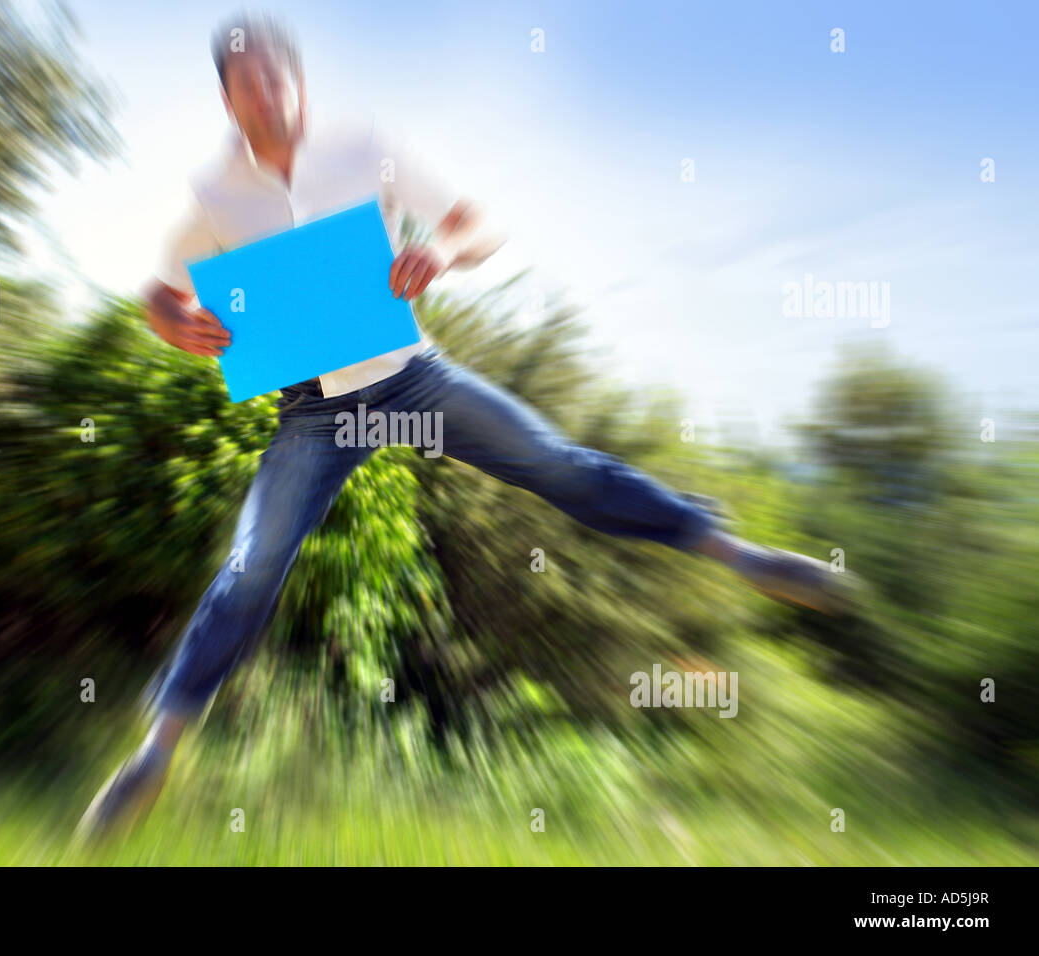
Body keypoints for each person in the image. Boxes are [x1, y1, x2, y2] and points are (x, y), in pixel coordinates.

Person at [77, 11, 859, 841]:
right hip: (313, 411)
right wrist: (178, 324)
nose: (268, 89)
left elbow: (480, 224)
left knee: (554, 462)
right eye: (248, 79)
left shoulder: (363, 145)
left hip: (413, 377)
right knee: (250, 564)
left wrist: (440, 255)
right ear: (228, 96)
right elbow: (157, 293)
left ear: (298, 78)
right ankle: (157, 751)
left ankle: (736, 553)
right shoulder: (212, 193)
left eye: (279, 73)